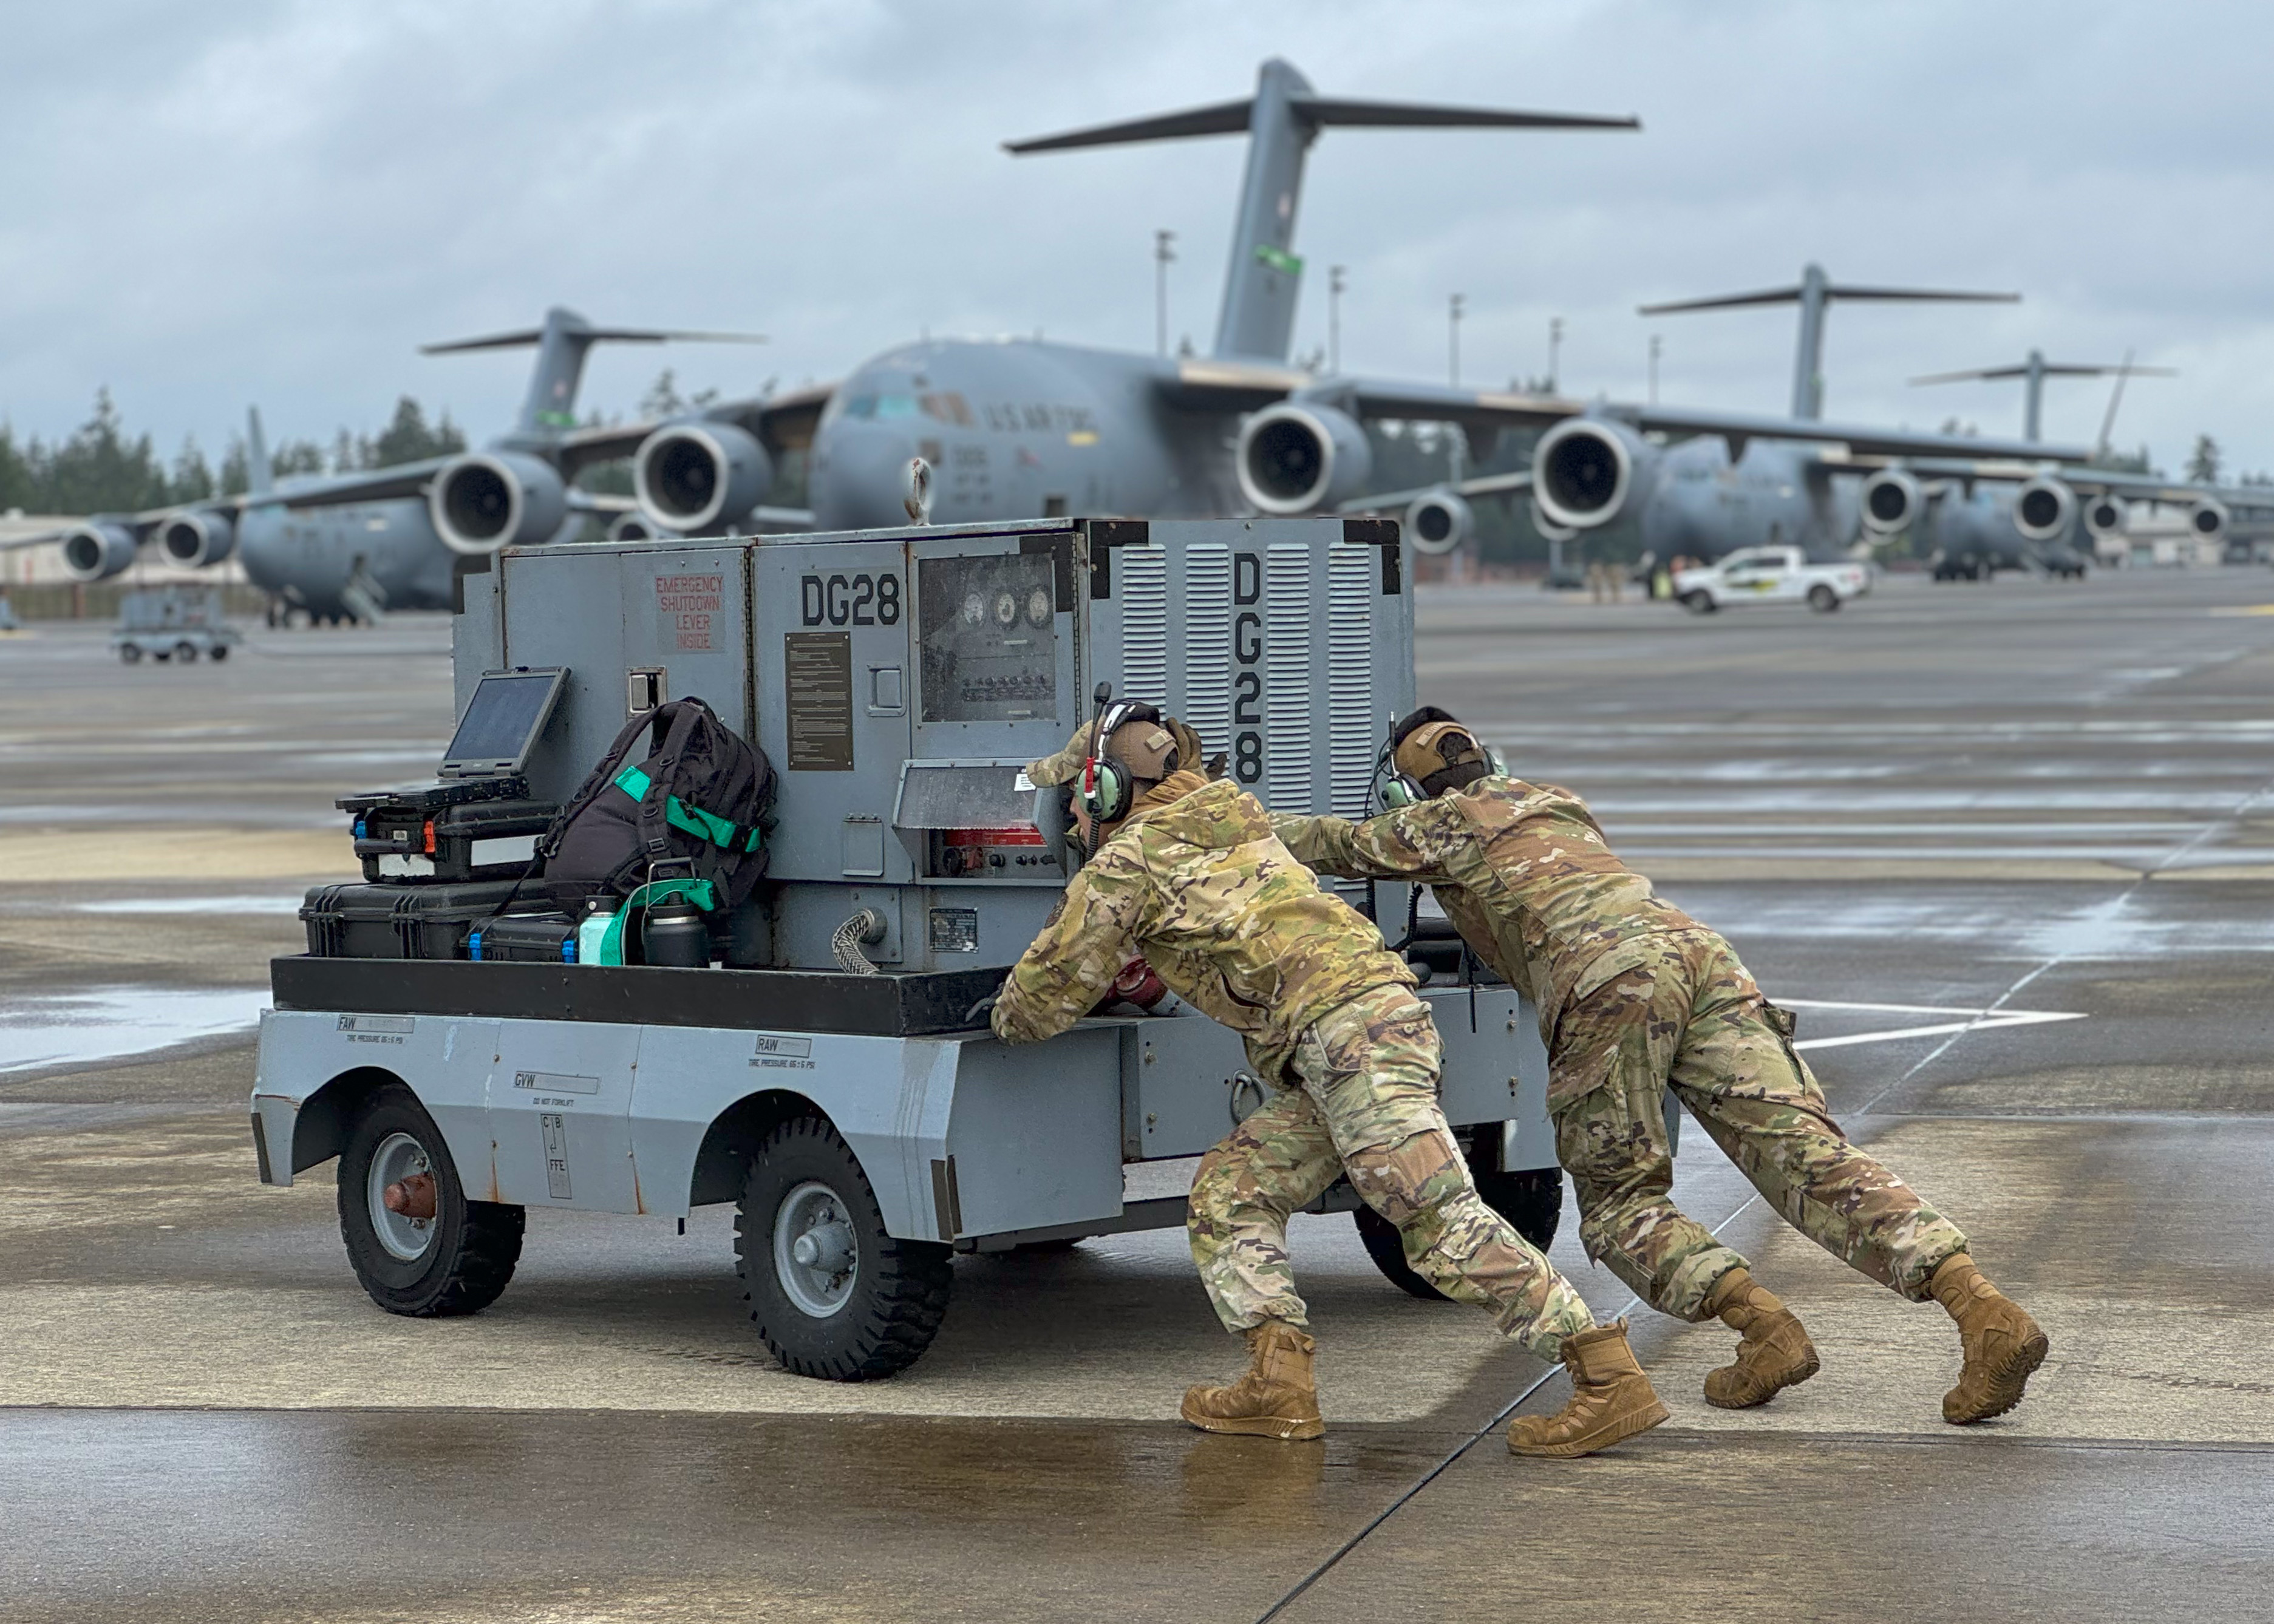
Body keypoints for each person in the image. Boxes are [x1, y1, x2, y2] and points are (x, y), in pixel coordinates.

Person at [1271, 707, 2048, 1425]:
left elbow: (1322, 843)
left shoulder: (1437, 822)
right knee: (1808, 1155)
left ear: (1408, 791)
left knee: (1619, 1202)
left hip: (1607, 978)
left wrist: (1221, 821)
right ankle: (1983, 1312)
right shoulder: (1556, 800)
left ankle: (1763, 1327)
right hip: (1699, 954)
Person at [982, 702, 1667, 1458]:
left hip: (1350, 1038)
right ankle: (1277, 1379)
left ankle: (1604, 1372)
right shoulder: (1235, 819)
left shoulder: (1127, 863)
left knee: (1435, 1218)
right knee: (1234, 1188)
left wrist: (998, 1014)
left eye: (1075, 795)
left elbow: (1041, 998)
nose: (1071, 814)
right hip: (1350, 1036)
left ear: (1108, 788)